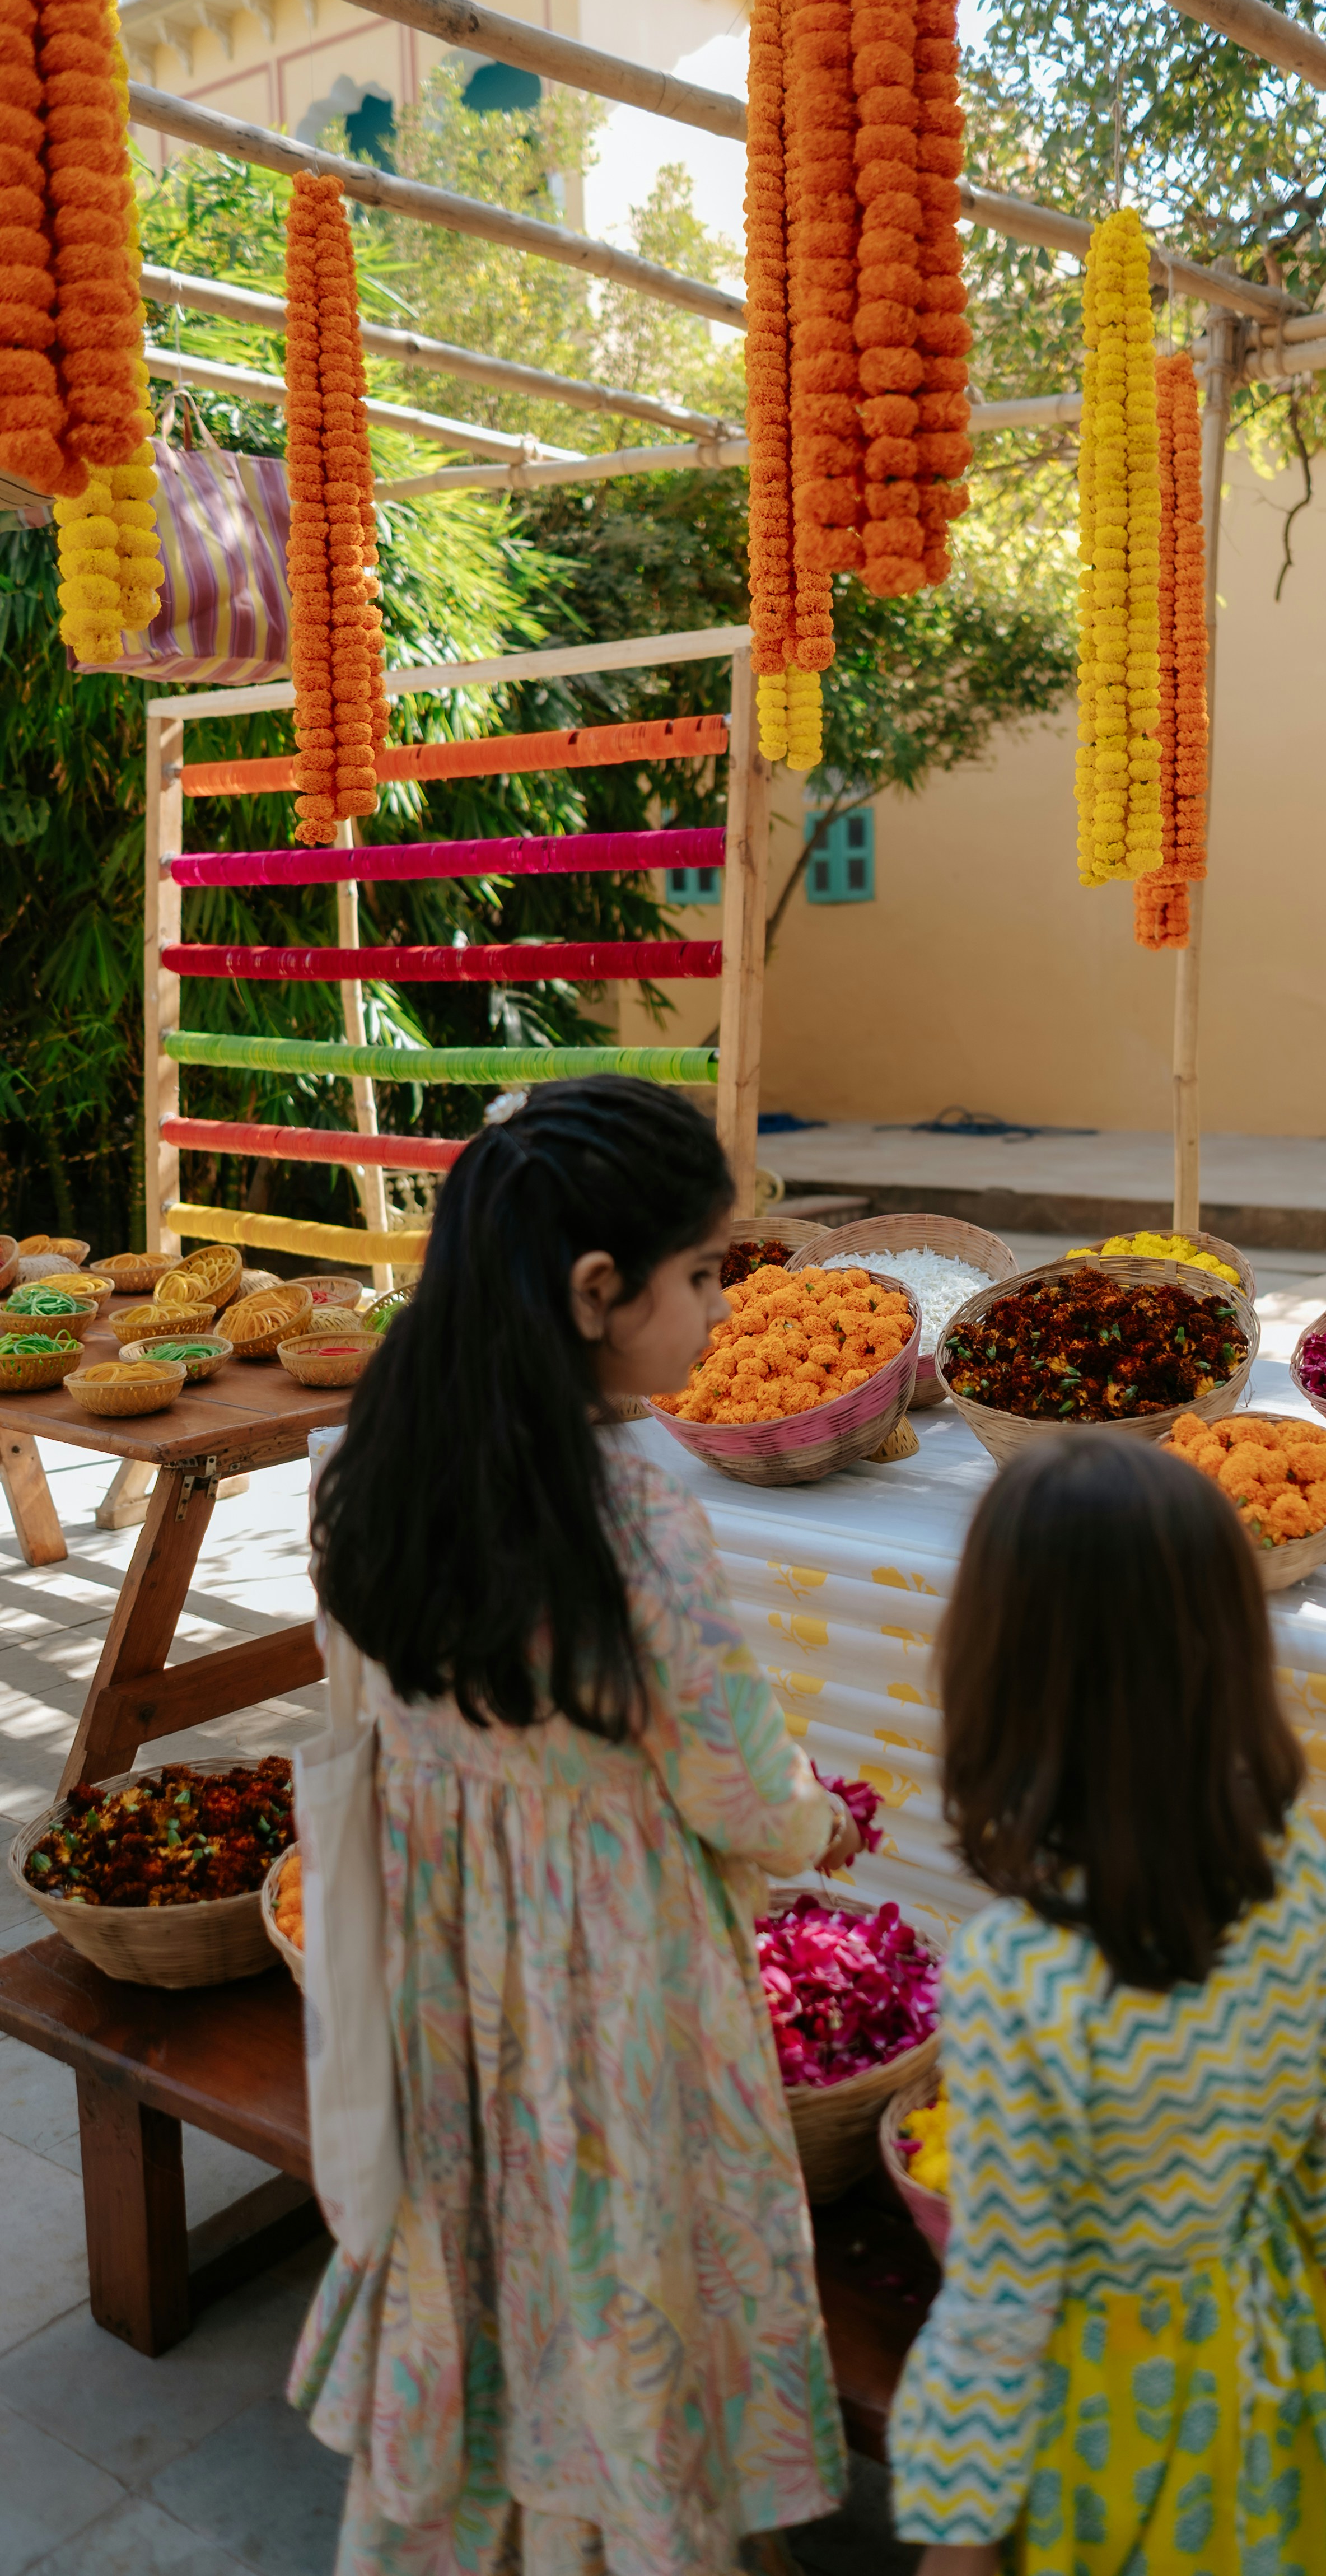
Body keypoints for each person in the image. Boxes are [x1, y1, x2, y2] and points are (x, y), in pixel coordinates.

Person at [290, 1079, 858, 2576]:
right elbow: (730, 1778)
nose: (725, 1306)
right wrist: (813, 1825)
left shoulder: (373, 1477)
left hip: (448, 1963)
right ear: (599, 1295)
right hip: (611, 1987)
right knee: (615, 2255)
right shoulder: (637, 1529)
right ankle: (630, 2524)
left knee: (486, 2240)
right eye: (702, 1274)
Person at [888, 1432, 1326, 2576]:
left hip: (1113, 2407)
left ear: (997, 1675)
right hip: (1274, 2355)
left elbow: (1004, 2293)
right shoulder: (1292, 1869)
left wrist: (958, 2534)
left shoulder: (1012, 1977)